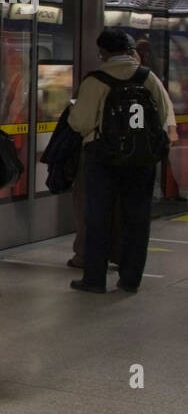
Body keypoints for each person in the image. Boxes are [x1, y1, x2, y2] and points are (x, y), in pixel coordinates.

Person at [67, 30, 174, 294]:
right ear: (129, 49)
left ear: (102, 51)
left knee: (98, 218)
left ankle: (94, 279)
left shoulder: (96, 81)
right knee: (137, 219)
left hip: (102, 158)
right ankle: (130, 279)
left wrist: (74, 109)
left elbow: (79, 123)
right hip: (142, 158)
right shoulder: (148, 77)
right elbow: (162, 114)